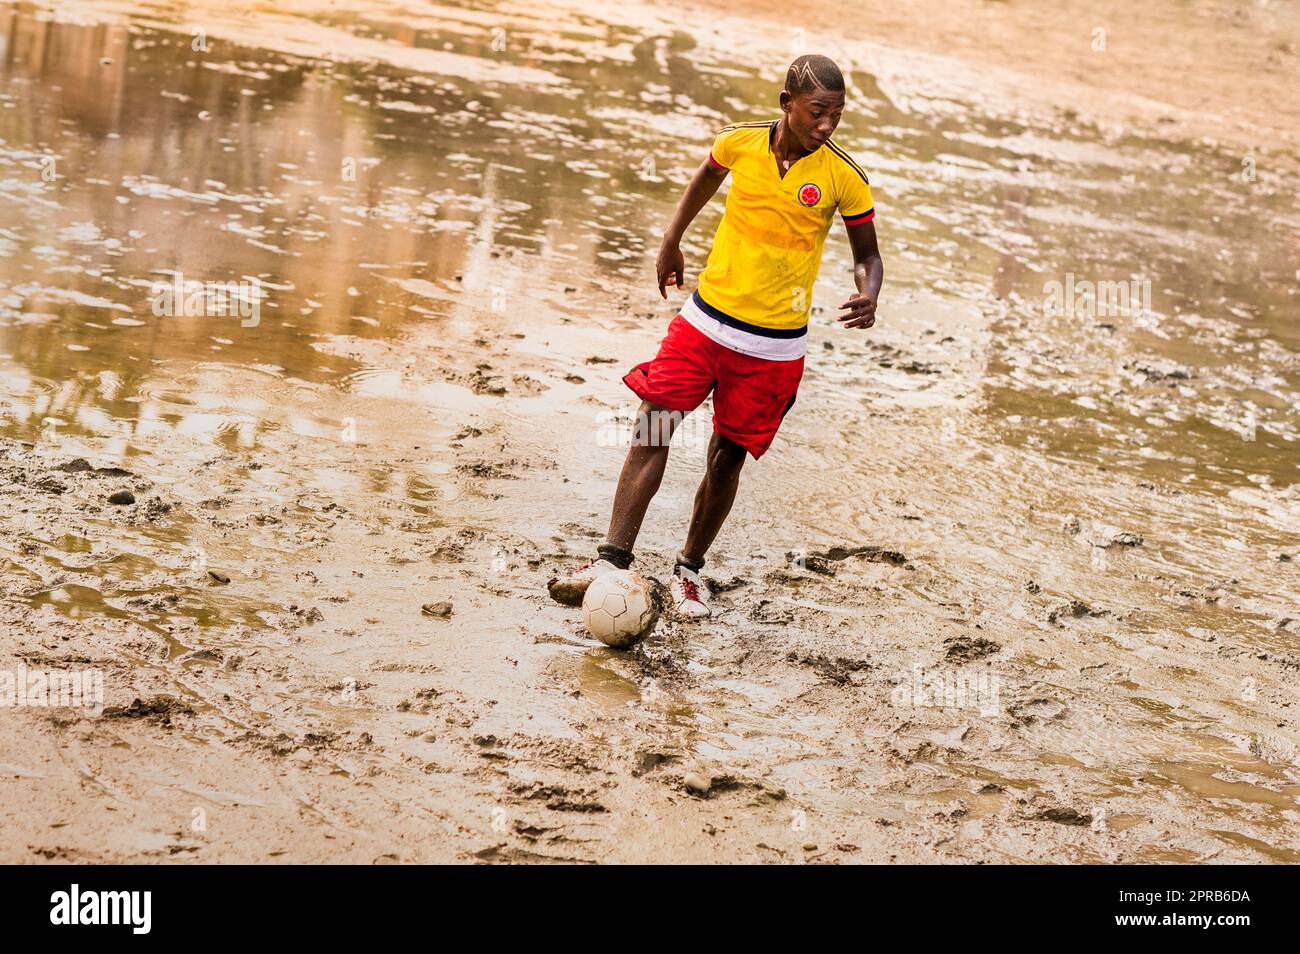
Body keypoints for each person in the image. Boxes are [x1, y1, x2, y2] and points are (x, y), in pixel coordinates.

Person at [550, 53, 883, 619]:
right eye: (817, 112)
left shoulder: (843, 178)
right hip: (704, 324)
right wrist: (671, 239)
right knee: (651, 429)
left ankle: (689, 574)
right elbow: (705, 177)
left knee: (726, 459)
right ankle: (611, 560)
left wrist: (868, 292)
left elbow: (867, 255)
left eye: (837, 115)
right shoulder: (739, 144)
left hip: (774, 348)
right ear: (787, 105)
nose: (827, 125)